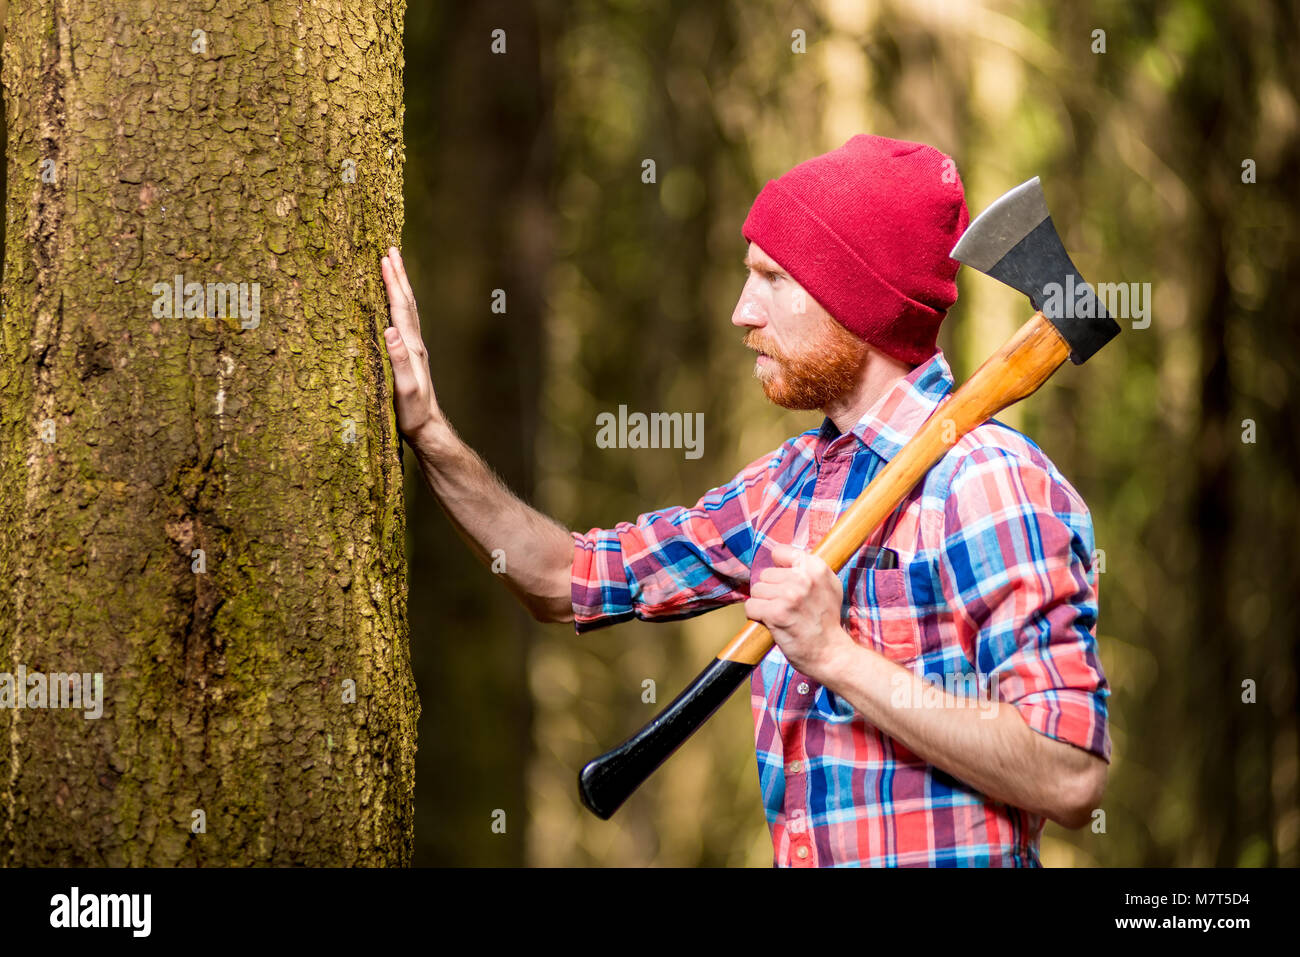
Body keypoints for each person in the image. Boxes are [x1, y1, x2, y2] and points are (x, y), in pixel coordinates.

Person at [380, 133, 1110, 867]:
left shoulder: (988, 481)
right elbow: (564, 578)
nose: (741, 310)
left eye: (771, 278)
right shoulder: (787, 485)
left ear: (851, 298)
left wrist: (835, 655)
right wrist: (432, 437)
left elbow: (1070, 770)